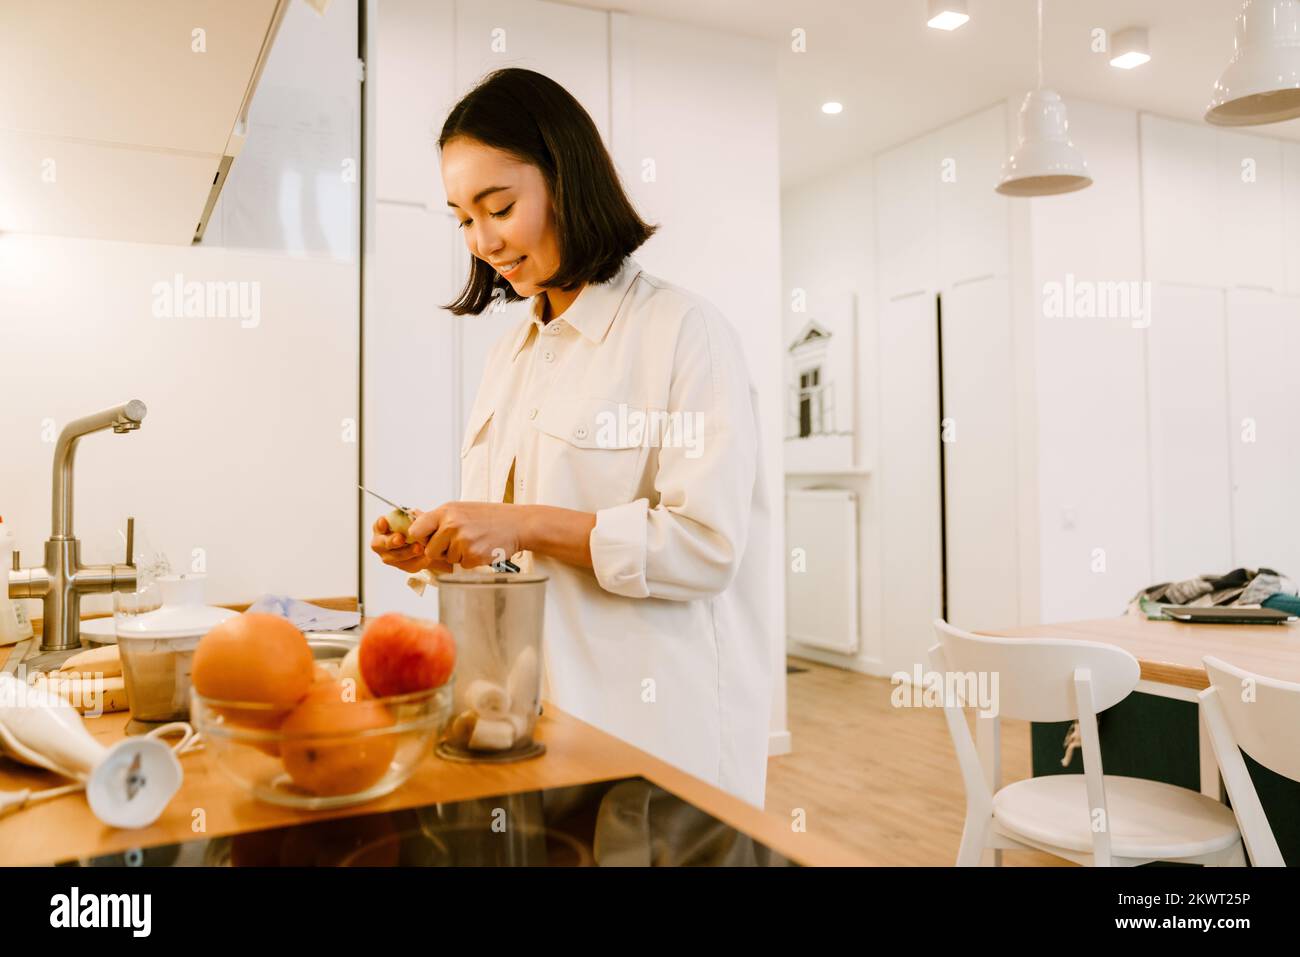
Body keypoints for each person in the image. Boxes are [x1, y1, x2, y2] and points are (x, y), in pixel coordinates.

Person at [370, 68, 774, 807]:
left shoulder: (685, 332)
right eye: (463, 217)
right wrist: (447, 540)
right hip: (530, 726)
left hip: (659, 742)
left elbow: (706, 546)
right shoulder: (511, 354)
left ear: (567, 178)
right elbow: (516, 552)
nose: (483, 240)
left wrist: (520, 521)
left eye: (499, 206)